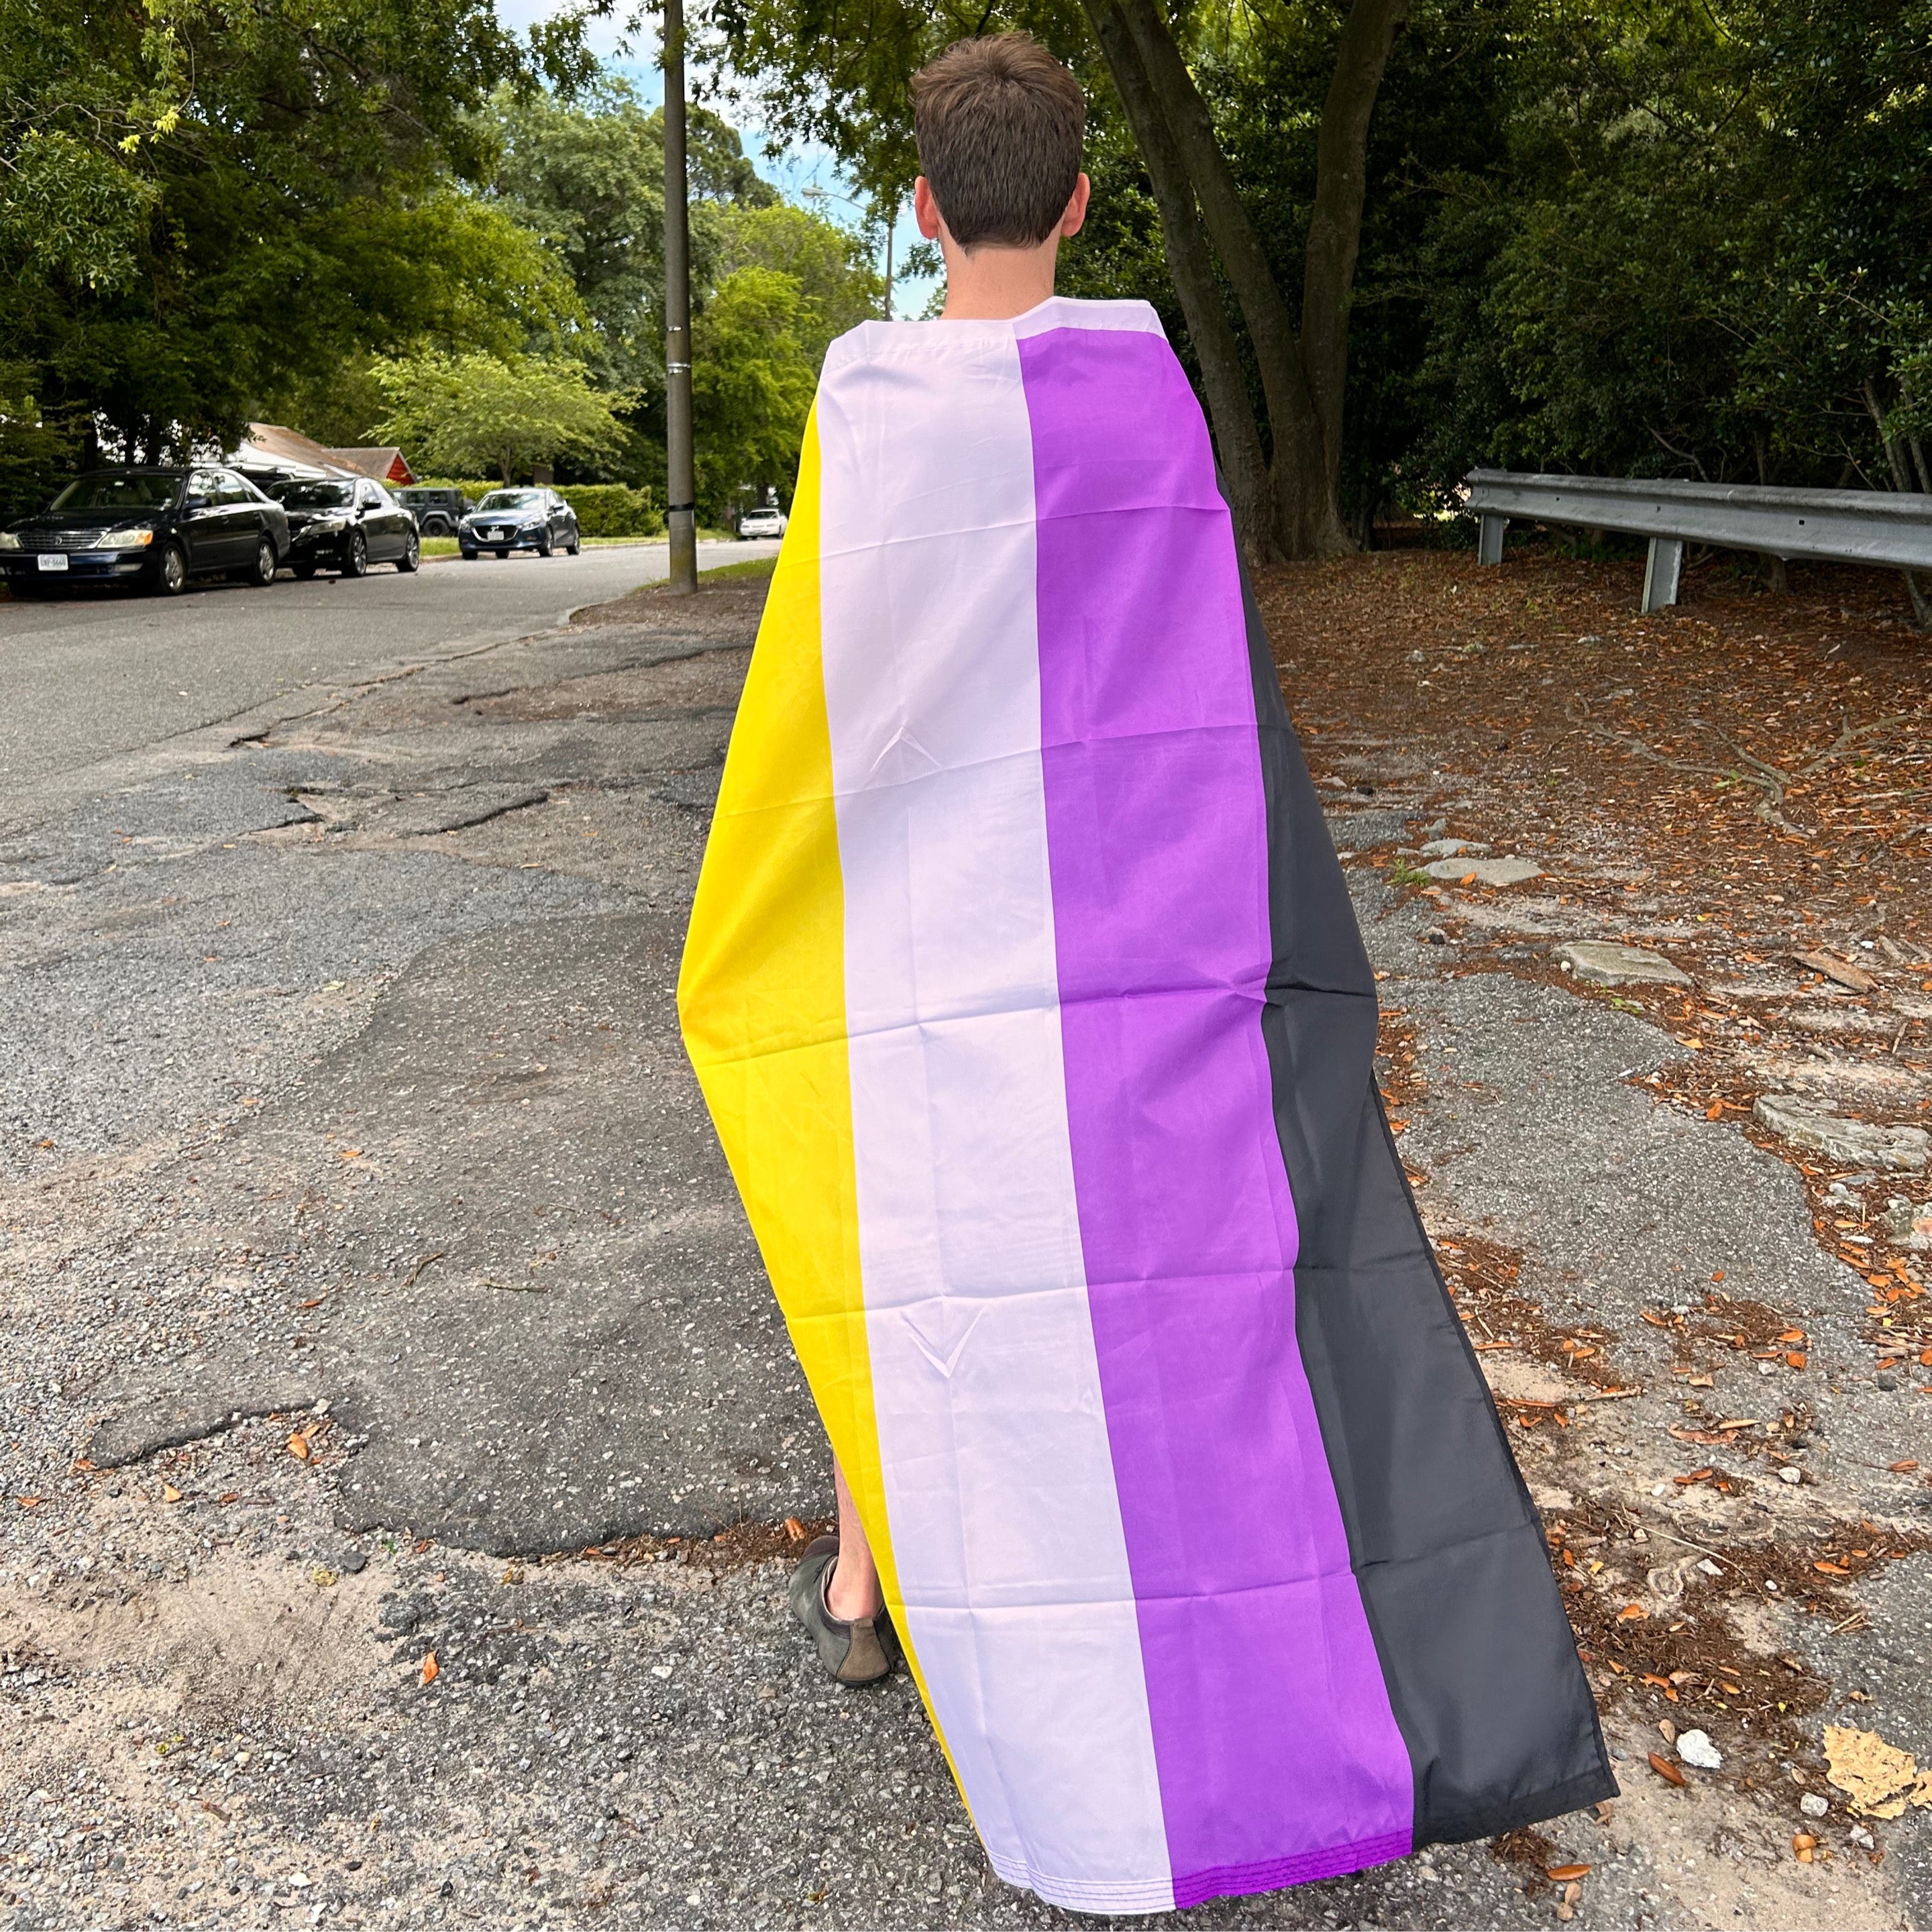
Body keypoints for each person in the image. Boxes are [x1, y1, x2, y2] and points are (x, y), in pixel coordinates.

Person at [678, 32, 1613, 1916]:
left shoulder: (868, 404)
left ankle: (874, 1578)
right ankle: (1166, 1611)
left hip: (929, 937)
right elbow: (1189, 687)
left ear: (925, 202)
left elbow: (820, 705)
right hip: (1132, 929)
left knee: (919, 1248)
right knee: (1149, 1280)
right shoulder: (1149, 393)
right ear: (1085, 198)